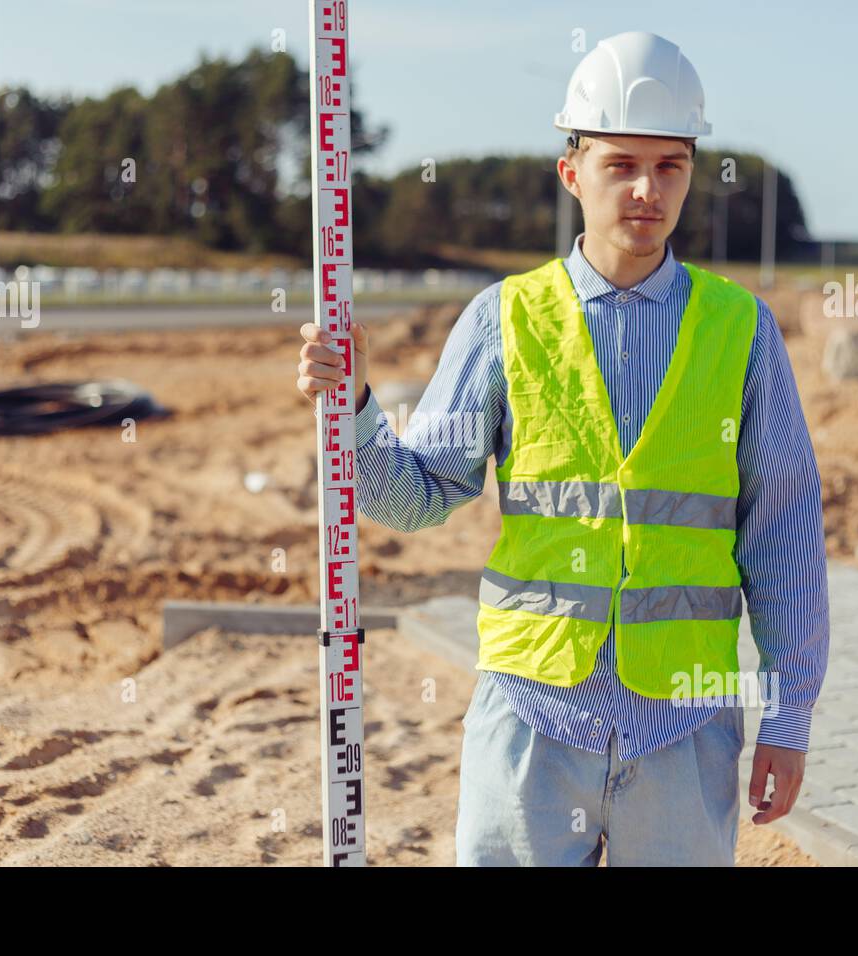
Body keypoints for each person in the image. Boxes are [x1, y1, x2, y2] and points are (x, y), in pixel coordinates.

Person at [296, 31, 829, 866]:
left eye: (670, 166)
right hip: (530, 722)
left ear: (692, 172)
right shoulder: (503, 319)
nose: (646, 190)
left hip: (685, 730)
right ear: (571, 171)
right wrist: (355, 406)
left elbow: (785, 530)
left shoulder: (743, 330)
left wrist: (789, 718)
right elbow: (416, 495)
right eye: (621, 164)